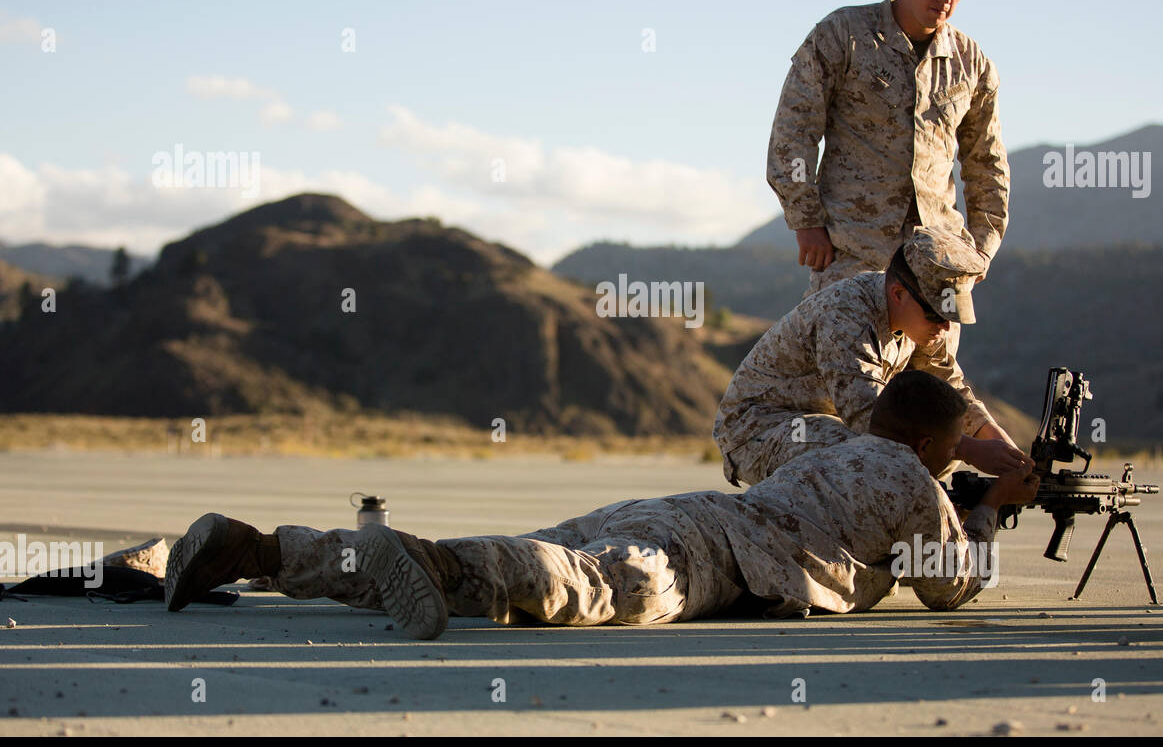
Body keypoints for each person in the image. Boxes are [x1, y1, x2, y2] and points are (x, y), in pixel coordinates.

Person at [165, 372, 1039, 640]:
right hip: (722, 559)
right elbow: (946, 587)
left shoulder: (832, 440)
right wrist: (990, 508)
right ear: (935, 447)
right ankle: (425, 564)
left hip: (687, 508)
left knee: (526, 551)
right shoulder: (914, 482)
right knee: (593, 590)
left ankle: (261, 551)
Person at [767, 0, 1010, 297]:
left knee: (932, 359)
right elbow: (793, 132)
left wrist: (982, 247)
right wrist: (805, 220)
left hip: (938, 260)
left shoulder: (971, 63)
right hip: (852, 253)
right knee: (853, 354)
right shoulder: (842, 35)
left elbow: (986, 162)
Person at [713, 226, 1027, 486]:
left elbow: (950, 388)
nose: (945, 326)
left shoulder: (920, 320)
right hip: (757, 430)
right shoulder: (846, 314)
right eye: (936, 314)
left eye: (951, 315)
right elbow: (870, 417)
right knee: (867, 452)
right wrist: (969, 449)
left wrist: (995, 441)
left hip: (819, 423)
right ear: (898, 293)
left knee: (936, 454)